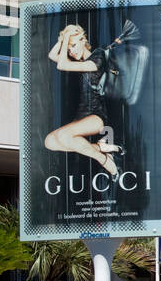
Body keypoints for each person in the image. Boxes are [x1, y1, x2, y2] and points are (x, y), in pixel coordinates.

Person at [44, 23, 128, 178]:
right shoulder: (80, 63)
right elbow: (52, 56)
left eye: (74, 46)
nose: (71, 51)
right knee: (49, 141)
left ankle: (106, 161)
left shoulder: (98, 56)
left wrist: (68, 37)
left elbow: (62, 64)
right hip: (81, 115)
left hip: (97, 114)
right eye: (69, 49)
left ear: (83, 40)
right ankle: (102, 147)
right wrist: (64, 39)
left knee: (63, 137)